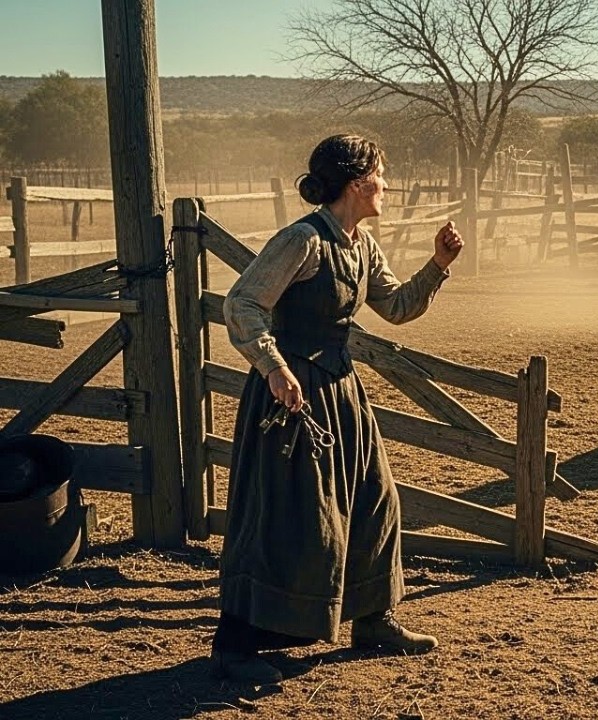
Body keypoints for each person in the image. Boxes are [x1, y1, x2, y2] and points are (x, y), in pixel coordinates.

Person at [212, 134, 463, 684]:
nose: (387, 184)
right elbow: (243, 303)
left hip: (341, 393)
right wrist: (273, 367)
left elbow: (395, 307)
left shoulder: (362, 244)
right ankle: (235, 647)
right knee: (284, 515)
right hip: (289, 394)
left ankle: (374, 618)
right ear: (357, 183)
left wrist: (438, 265)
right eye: (381, 174)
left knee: (374, 498)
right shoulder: (301, 241)